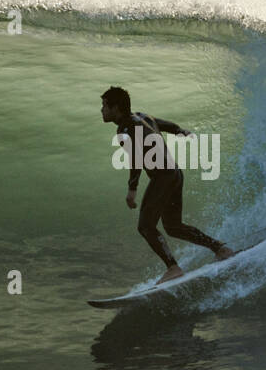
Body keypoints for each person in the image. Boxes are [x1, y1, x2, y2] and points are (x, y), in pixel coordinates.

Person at [100, 86, 235, 284]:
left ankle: (173, 267)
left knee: (146, 227)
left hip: (162, 177)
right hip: (175, 174)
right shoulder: (142, 116)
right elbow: (166, 125)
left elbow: (136, 157)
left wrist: (132, 189)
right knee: (173, 226)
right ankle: (220, 248)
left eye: (104, 106)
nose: (101, 110)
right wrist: (181, 131)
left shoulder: (125, 129)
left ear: (116, 108)